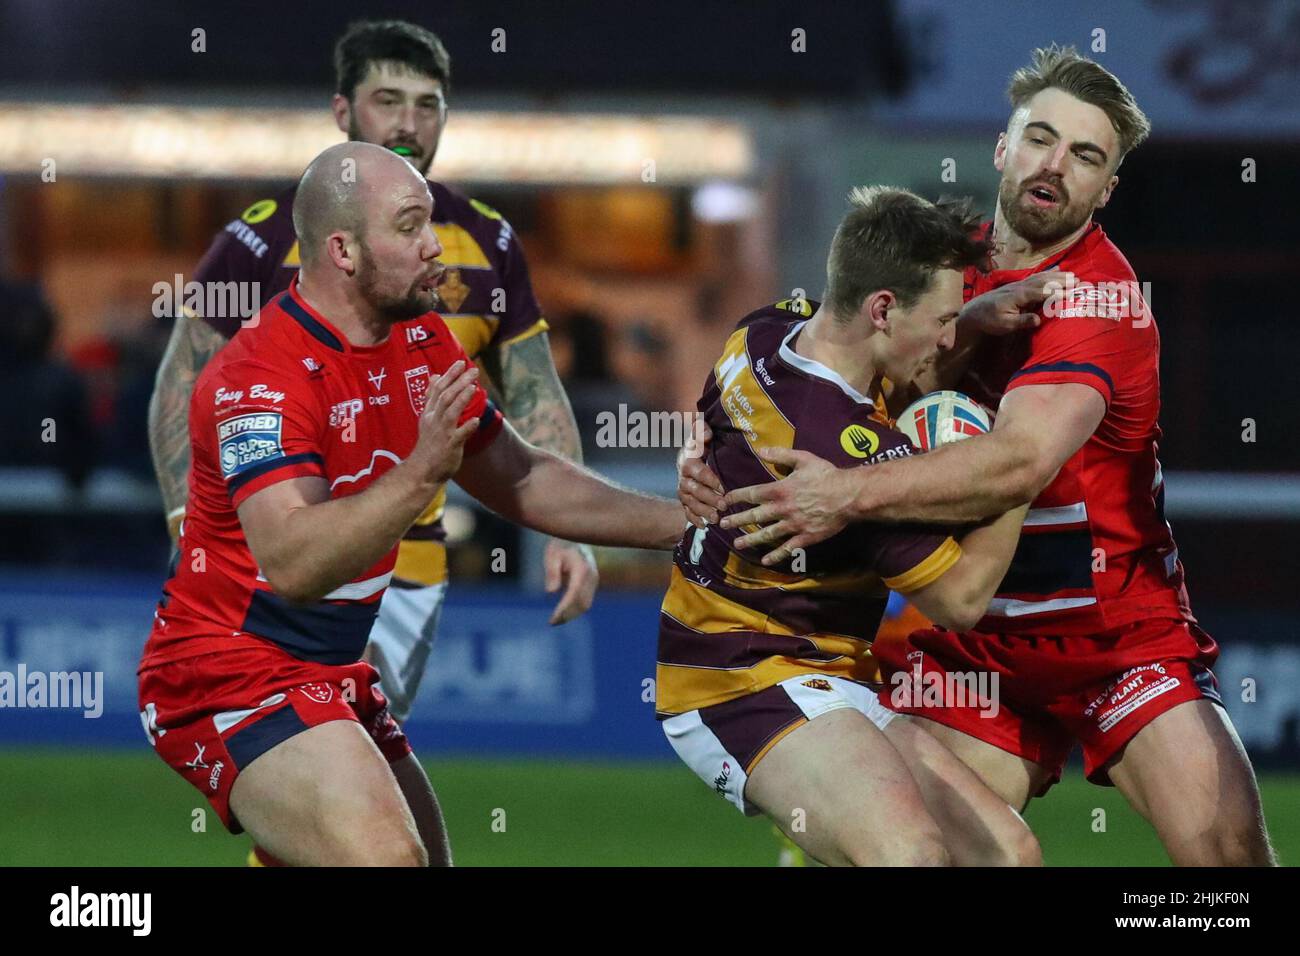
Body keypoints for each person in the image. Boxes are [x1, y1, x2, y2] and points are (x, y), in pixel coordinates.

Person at [680, 46, 1275, 866]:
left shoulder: (1099, 297)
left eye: (1085, 158)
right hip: (976, 643)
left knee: (1228, 870)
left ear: (1105, 191)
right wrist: (716, 432)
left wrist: (846, 494)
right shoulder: (938, 265)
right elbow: (824, 353)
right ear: (1003, 149)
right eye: (1040, 139)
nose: (1053, 166)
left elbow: (1017, 463)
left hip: (1113, 637)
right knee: (927, 846)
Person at [138, 143, 683, 867]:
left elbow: (521, 477)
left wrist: (695, 528)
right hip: (224, 673)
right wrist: (422, 471)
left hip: (325, 670)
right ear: (343, 250)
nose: (436, 247)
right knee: (392, 861)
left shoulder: (421, 342)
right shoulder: (258, 377)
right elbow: (294, 561)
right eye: (409, 226)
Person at [148, 20, 595, 736]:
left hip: (408, 561)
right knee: (326, 768)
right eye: (388, 100)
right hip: (273, 551)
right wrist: (182, 522)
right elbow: (182, 382)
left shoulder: (489, 242)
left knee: (336, 763)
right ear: (341, 112)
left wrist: (568, 535)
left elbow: (534, 390)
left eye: (427, 105)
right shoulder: (264, 239)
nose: (408, 124)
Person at [659, 185, 1040, 866]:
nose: (951, 339)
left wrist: (695, 454)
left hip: (833, 672)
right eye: (945, 320)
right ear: (884, 309)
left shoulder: (766, 328)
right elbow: (961, 600)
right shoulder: (842, 451)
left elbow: (710, 412)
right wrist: (1019, 467)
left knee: (1005, 855)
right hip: (736, 678)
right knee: (910, 857)